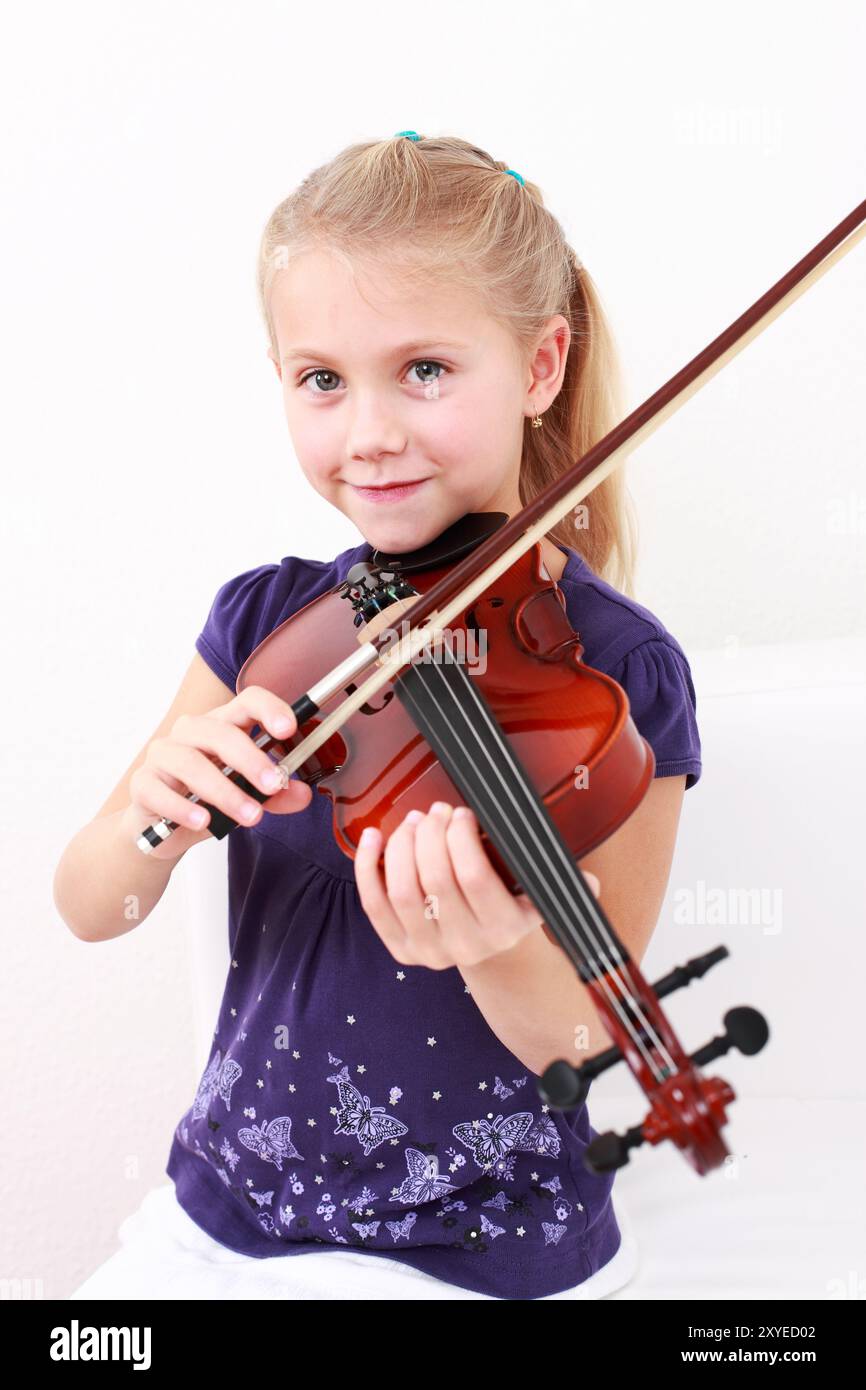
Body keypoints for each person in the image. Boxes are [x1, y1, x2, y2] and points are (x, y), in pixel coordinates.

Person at [55, 132, 701, 1301]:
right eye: (321, 379)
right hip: (229, 1212)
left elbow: (585, 1038)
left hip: (486, 1253)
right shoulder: (271, 623)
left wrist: (497, 947)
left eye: (424, 371)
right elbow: (94, 903)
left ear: (541, 365)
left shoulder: (617, 673)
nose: (368, 434)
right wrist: (149, 809)